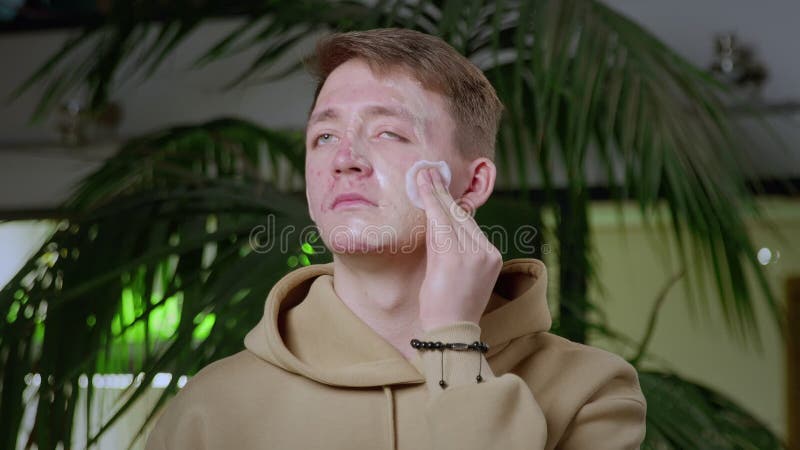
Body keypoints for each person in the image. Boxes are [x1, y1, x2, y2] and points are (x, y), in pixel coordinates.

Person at [145, 28, 646, 450]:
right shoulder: (209, 409)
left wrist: (453, 339)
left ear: (473, 184)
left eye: (388, 133)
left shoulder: (591, 391)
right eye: (324, 137)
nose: (344, 159)